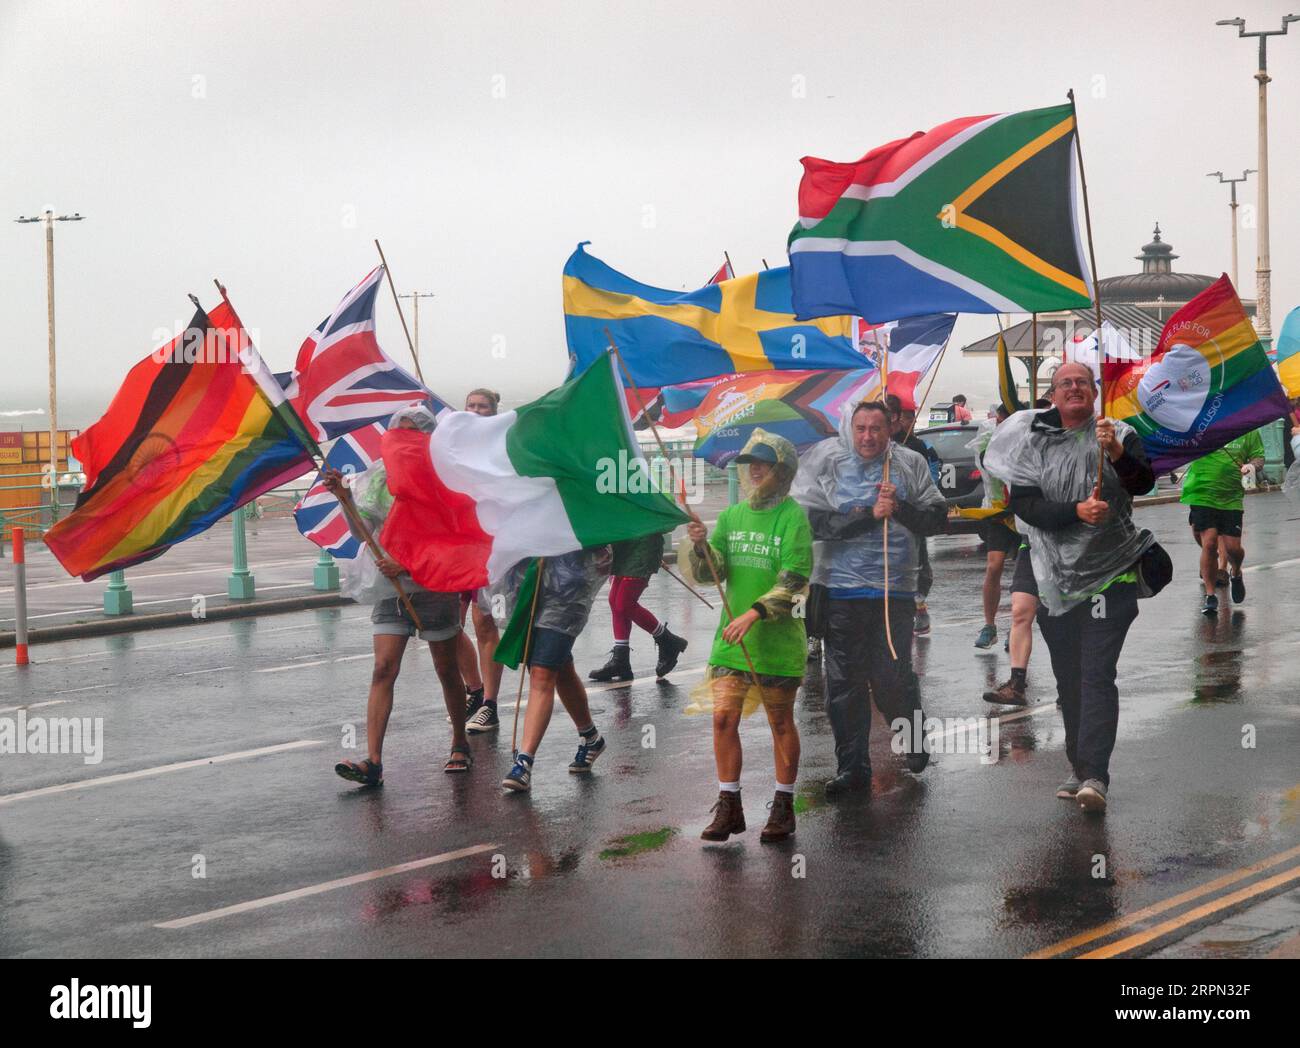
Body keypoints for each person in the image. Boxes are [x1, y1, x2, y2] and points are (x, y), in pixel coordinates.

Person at [983, 363, 1162, 814]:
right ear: (1054, 395)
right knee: (1069, 678)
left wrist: (1118, 453)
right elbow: (1025, 506)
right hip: (1054, 582)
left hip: (1112, 577)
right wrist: (1076, 512)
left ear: (1094, 391)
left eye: (1083, 381)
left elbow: (1144, 482)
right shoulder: (1034, 442)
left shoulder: (1117, 432)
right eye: (1066, 383)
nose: (1075, 388)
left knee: (1096, 673)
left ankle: (1096, 775)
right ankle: (1079, 765)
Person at [793, 400, 948, 796]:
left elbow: (937, 518)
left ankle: (913, 739)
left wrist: (899, 507)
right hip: (839, 592)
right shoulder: (828, 462)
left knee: (891, 676)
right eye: (860, 428)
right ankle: (852, 768)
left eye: (876, 428)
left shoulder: (909, 464)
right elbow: (811, 522)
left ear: (891, 428)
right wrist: (866, 513)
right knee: (844, 684)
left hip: (892, 591)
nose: (867, 436)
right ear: (850, 428)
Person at [328, 405, 472, 785]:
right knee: (382, 669)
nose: (403, 439)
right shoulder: (378, 477)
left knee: (445, 669)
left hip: (434, 588)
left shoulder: (445, 475)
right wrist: (344, 498)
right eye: (398, 432)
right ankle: (373, 761)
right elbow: (363, 533)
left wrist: (409, 568)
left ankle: (460, 742)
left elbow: (450, 537)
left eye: (412, 432)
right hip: (389, 591)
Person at [685, 429, 812, 842]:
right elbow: (713, 574)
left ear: (783, 470)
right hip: (732, 642)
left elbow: (794, 581)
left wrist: (755, 613)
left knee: (779, 723)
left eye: (763, 462)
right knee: (723, 718)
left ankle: (783, 804)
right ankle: (729, 806)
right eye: (749, 463)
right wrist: (703, 548)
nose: (755, 470)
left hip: (776, 644)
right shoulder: (731, 516)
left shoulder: (793, 518)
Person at [501, 546, 612, 792]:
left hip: (568, 593)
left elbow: (600, 539)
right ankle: (591, 737)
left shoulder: (580, 508)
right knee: (559, 667)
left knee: (542, 673)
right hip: (528, 586)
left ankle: (524, 761)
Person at [984, 398, 1051, 706]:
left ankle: (1072, 679)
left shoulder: (1067, 457)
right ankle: (1017, 683)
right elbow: (991, 464)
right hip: (1031, 545)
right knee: (1021, 612)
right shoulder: (1018, 460)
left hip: (1066, 551)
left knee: (1062, 624)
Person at [456, 388, 505, 732]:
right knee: (447, 626)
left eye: (482, 406)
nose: (475, 411)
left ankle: (490, 702)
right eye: (470, 405)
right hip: (457, 545)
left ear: (494, 411)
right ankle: (473, 690)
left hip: (490, 547)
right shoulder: (453, 447)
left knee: (484, 624)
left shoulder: (502, 448)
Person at [1180, 428, 1266, 614]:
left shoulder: (1249, 428)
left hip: (1231, 497)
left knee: (1233, 548)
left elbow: (1258, 457)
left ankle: (1236, 571)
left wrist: (1251, 467)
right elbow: (1181, 443)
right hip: (1201, 492)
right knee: (1209, 543)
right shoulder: (1202, 424)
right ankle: (1210, 596)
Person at [588, 531, 688, 682]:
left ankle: (668, 640)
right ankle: (621, 659)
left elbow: (666, 521)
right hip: (623, 544)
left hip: (642, 547)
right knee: (614, 600)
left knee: (624, 603)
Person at [887, 393, 941, 636]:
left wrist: (903, 507)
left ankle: (919, 606)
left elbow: (931, 487)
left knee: (919, 569)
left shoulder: (915, 449)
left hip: (908, 534)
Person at [973, 405, 1017, 650]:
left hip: (1024, 513)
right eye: (999, 420)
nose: (1000, 424)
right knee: (994, 565)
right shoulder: (987, 444)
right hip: (998, 513)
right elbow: (990, 465)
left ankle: (1017, 626)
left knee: (1023, 574)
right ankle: (989, 626)